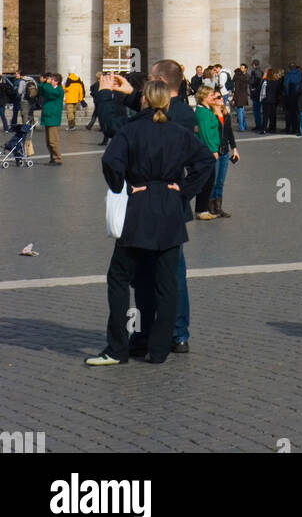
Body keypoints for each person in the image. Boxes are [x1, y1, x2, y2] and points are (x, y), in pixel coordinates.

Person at [85, 78, 213, 366]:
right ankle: (159, 349)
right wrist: (184, 190)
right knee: (167, 283)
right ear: (166, 103)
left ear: (143, 100)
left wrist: (123, 185)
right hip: (170, 210)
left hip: (139, 209)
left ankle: (117, 347)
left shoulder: (131, 131)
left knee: (119, 278)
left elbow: (110, 162)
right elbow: (206, 161)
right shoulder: (178, 132)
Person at [210, 92, 239, 215]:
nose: (221, 99)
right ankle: (210, 206)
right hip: (215, 152)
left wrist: (235, 148)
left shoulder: (225, 114)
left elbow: (229, 133)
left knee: (221, 181)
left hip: (225, 151)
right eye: (218, 97)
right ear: (213, 100)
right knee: (213, 180)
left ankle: (218, 207)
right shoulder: (210, 115)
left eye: (221, 96)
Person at [193, 87, 220, 220]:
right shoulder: (203, 113)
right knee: (206, 180)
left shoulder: (206, 110)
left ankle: (202, 208)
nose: (213, 98)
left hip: (209, 148)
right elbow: (205, 133)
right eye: (210, 96)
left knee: (209, 180)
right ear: (203, 97)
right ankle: (201, 209)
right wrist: (213, 150)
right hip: (207, 150)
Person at [37, 72, 64, 164]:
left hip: (53, 117)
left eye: (52, 80)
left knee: (53, 140)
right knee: (48, 141)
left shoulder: (59, 90)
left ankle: (57, 158)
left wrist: (46, 84)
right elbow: (40, 91)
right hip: (47, 116)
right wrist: (43, 83)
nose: (50, 81)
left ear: (56, 81)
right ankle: (52, 157)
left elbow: (50, 92)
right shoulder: (49, 88)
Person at [261, 67, 282, 135]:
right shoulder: (276, 81)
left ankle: (264, 129)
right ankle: (272, 128)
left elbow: (261, 89)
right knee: (273, 115)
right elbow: (278, 91)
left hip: (266, 100)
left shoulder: (265, 81)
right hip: (273, 100)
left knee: (265, 115)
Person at [231, 64, 248, 132]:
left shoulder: (237, 79)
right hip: (244, 96)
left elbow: (237, 90)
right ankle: (244, 125)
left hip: (239, 97)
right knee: (241, 111)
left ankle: (241, 127)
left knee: (239, 112)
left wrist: (234, 99)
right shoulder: (244, 77)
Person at [249, 60, 264, 132]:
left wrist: (253, 86)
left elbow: (256, 81)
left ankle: (259, 125)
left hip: (256, 93)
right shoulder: (260, 71)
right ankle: (258, 125)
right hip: (257, 92)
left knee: (256, 110)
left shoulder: (255, 72)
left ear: (254, 64)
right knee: (257, 110)